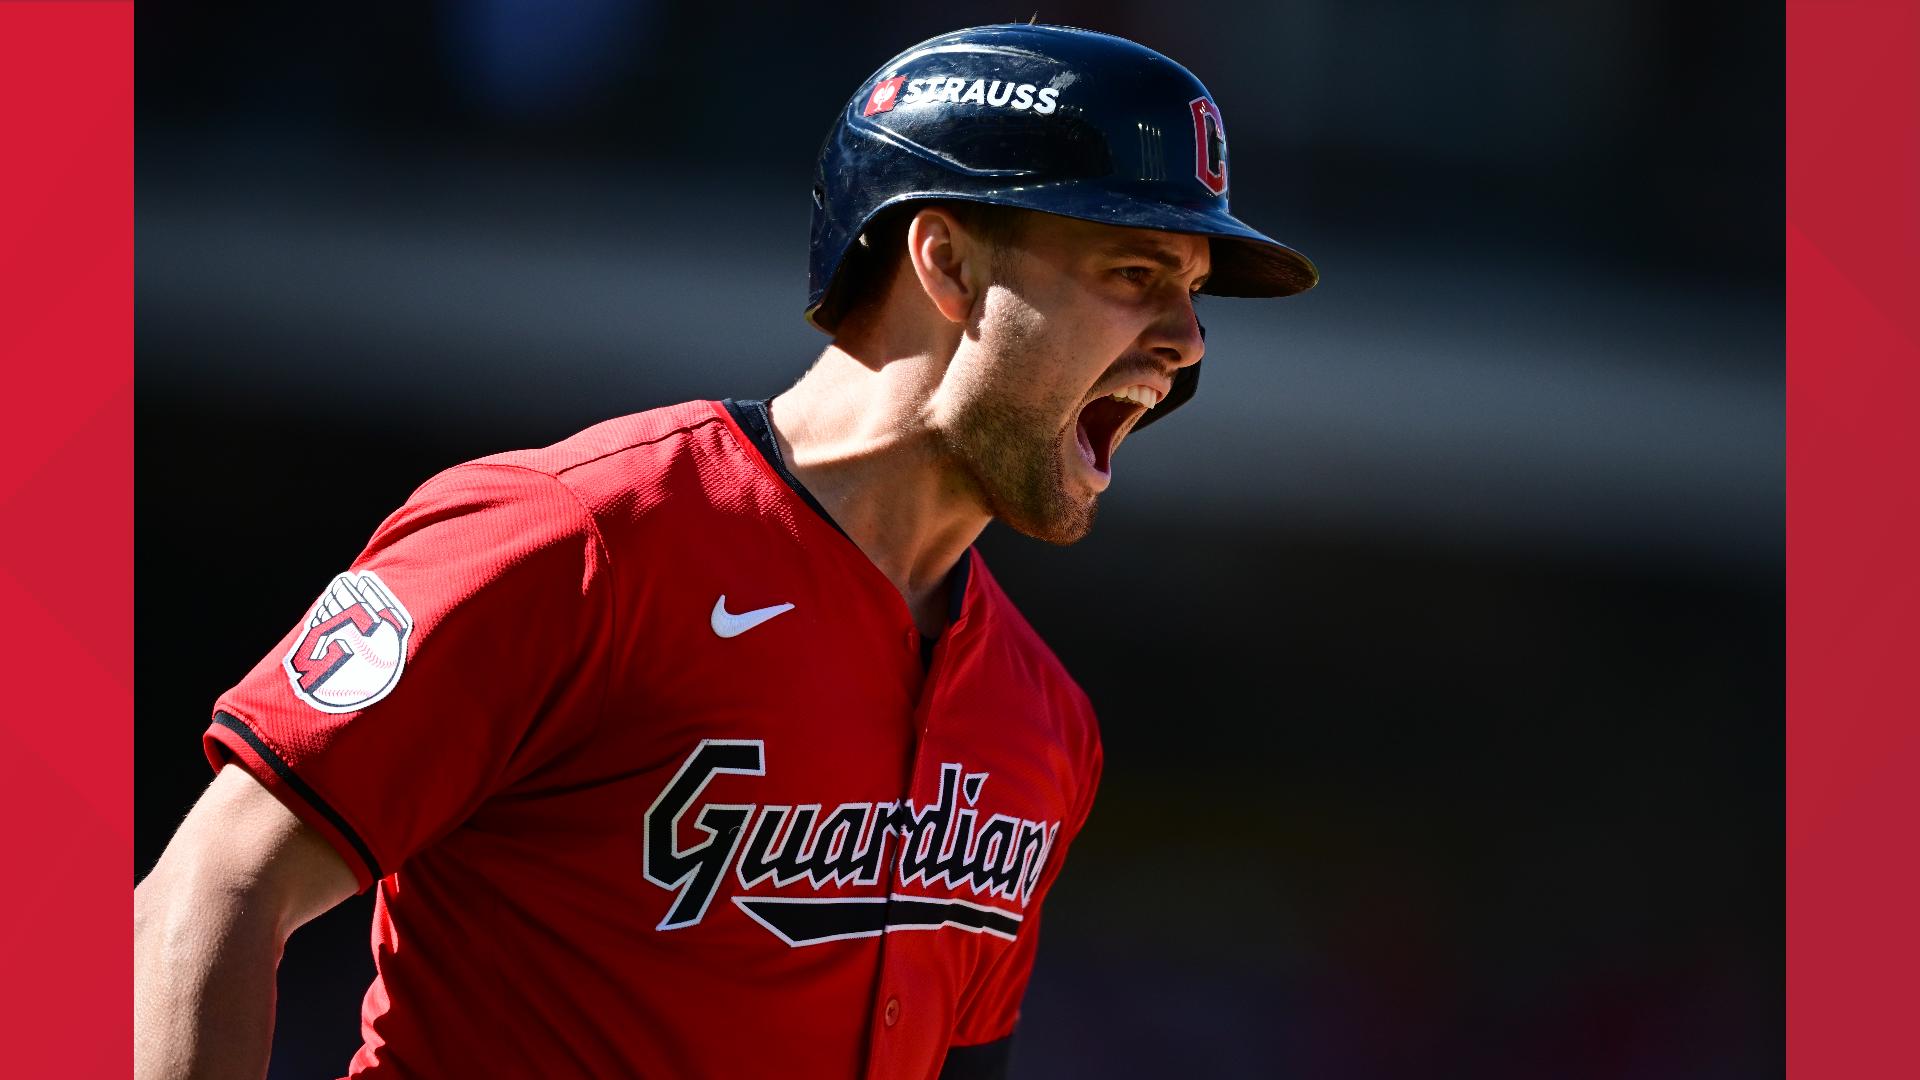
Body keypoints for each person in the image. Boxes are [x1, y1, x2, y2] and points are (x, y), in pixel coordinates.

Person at [133, 22, 1316, 1080]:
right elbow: (209, 896)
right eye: (1135, 275)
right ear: (946, 265)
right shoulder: (583, 537)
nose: (1186, 343)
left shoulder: (1046, 723)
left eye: (1194, 293)